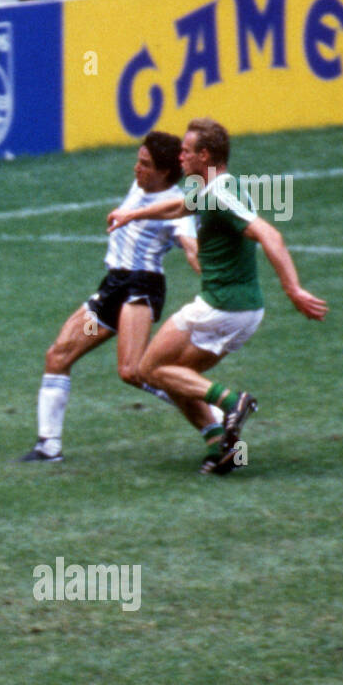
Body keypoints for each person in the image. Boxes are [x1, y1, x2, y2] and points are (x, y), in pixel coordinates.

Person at [106, 119, 329, 475]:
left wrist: (293, 289)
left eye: (186, 151)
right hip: (243, 311)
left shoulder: (223, 195)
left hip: (222, 307)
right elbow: (178, 208)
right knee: (179, 375)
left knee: (148, 368)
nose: (180, 156)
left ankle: (232, 402)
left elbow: (269, 235)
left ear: (204, 155)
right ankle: (220, 448)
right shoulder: (213, 187)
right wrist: (133, 213)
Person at [20, 131, 204, 464]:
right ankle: (48, 447)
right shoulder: (142, 184)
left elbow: (190, 243)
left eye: (145, 164)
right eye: (137, 160)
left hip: (140, 290)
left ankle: (214, 418)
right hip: (112, 291)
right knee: (58, 355)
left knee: (134, 371)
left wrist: (204, 267)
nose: (136, 168)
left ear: (164, 172)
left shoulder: (178, 207)